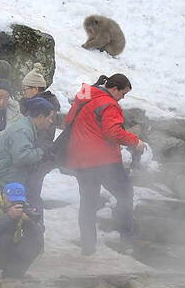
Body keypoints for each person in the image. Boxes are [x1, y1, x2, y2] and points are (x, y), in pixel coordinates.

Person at [63, 74, 147, 255]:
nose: (122, 98)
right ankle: (127, 240)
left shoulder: (84, 97)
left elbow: (67, 121)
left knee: (88, 203)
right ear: (115, 89)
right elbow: (112, 132)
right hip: (103, 161)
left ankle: (88, 247)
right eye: (123, 93)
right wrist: (135, 141)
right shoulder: (109, 104)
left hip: (80, 160)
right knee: (125, 194)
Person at [0, 96, 57, 204]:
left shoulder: (28, 126)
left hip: (0, 177)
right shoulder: (23, 130)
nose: (51, 121)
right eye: (50, 117)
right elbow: (21, 157)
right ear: (40, 117)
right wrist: (42, 152)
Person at [0, 182, 44, 278]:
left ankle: (13, 273)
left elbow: (36, 236)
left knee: (36, 239)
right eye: (12, 201)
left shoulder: (22, 209)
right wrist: (9, 216)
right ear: (4, 197)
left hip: (10, 248)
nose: (15, 204)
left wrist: (29, 222)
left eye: (19, 201)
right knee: (5, 237)